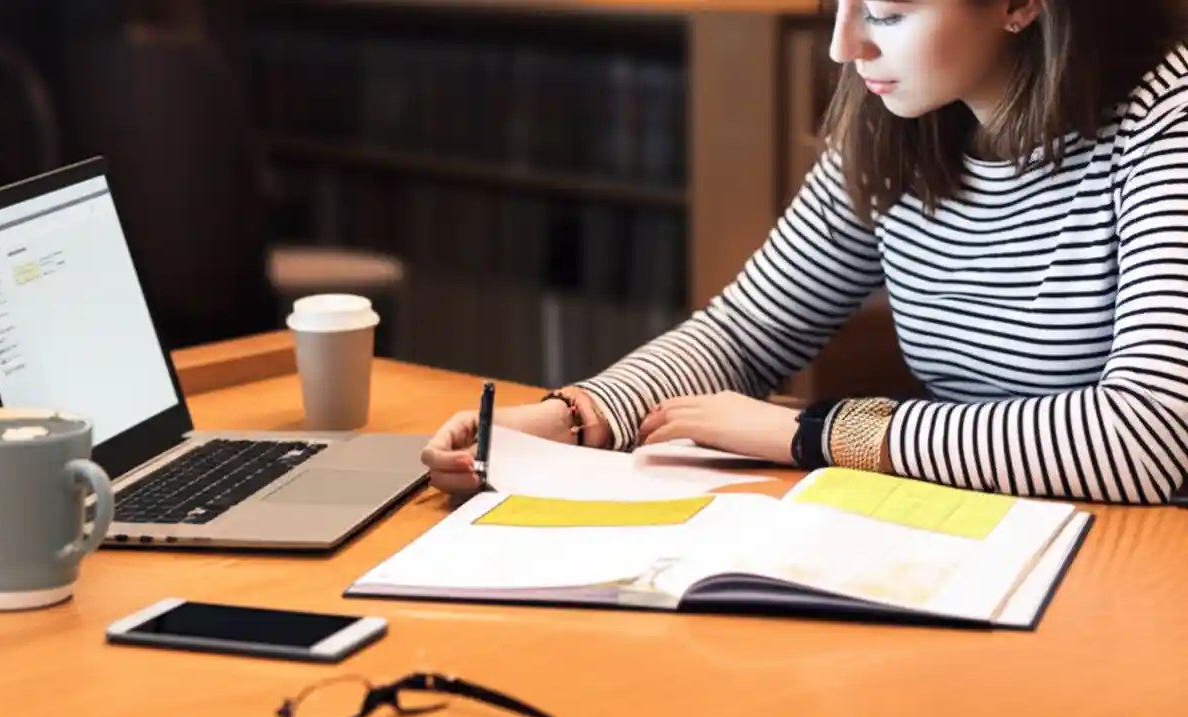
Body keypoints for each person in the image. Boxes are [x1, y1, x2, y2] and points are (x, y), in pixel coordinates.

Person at [423, 0, 1188, 505]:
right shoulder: (896, 126)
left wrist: (813, 432)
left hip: (1140, 569)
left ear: (1023, 3)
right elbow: (745, 334)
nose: (843, 43)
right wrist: (574, 417)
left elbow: (1151, 436)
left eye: (886, 10)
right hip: (970, 532)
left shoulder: (1166, 125)